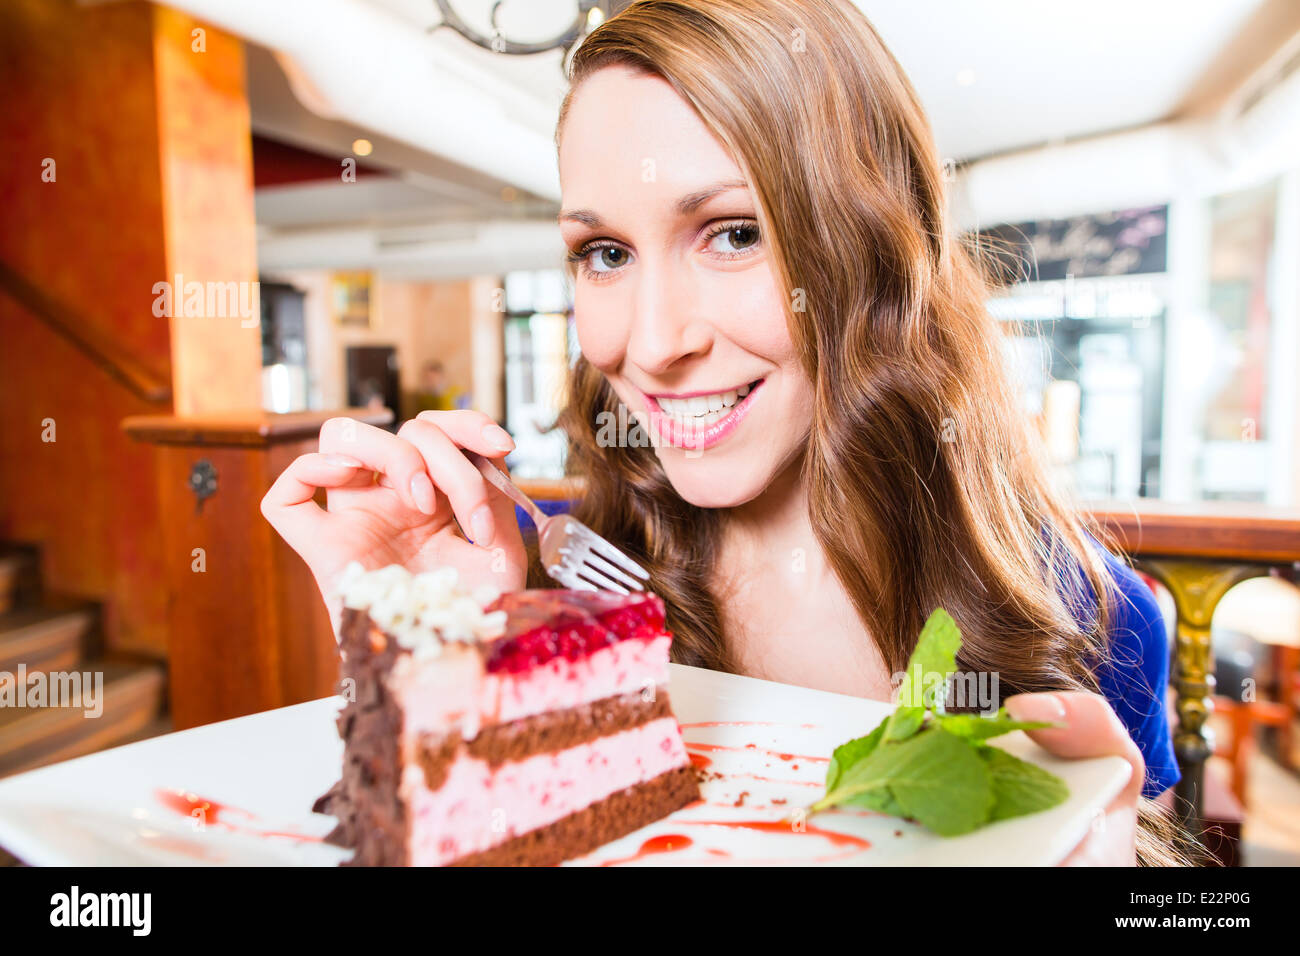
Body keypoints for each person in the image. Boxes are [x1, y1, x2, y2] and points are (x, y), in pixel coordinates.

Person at [262, 0, 1205, 865]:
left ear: (877, 247)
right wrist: (435, 656)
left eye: (734, 233)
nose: (654, 342)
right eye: (605, 253)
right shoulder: (558, 598)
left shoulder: (1089, 613)